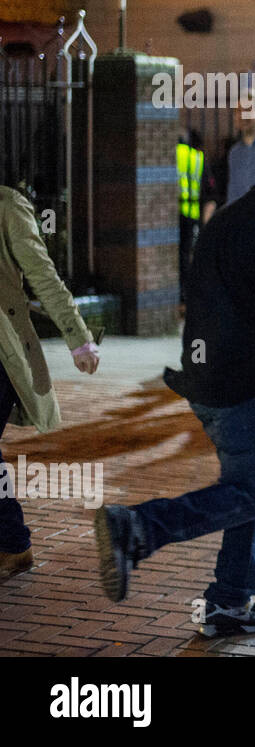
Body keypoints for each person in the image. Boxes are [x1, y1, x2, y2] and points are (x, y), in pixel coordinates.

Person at [95, 130, 255, 636]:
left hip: (206, 380)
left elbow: (197, 298)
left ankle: (229, 603)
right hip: (246, 385)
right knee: (254, 492)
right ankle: (139, 528)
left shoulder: (223, 220)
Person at [0, 186, 101, 583]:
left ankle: (13, 543)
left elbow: (43, 275)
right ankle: (12, 542)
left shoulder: (8, 205)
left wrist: (79, 337)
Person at [200, 97, 255, 223]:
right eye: (238, 111)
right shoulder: (234, 152)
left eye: (248, 109)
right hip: (239, 221)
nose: (242, 115)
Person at [177, 129, 204, 305]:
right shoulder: (197, 157)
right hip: (193, 214)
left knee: (179, 258)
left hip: (174, 216)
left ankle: (182, 297)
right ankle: (188, 296)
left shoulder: (171, 155)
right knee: (187, 257)